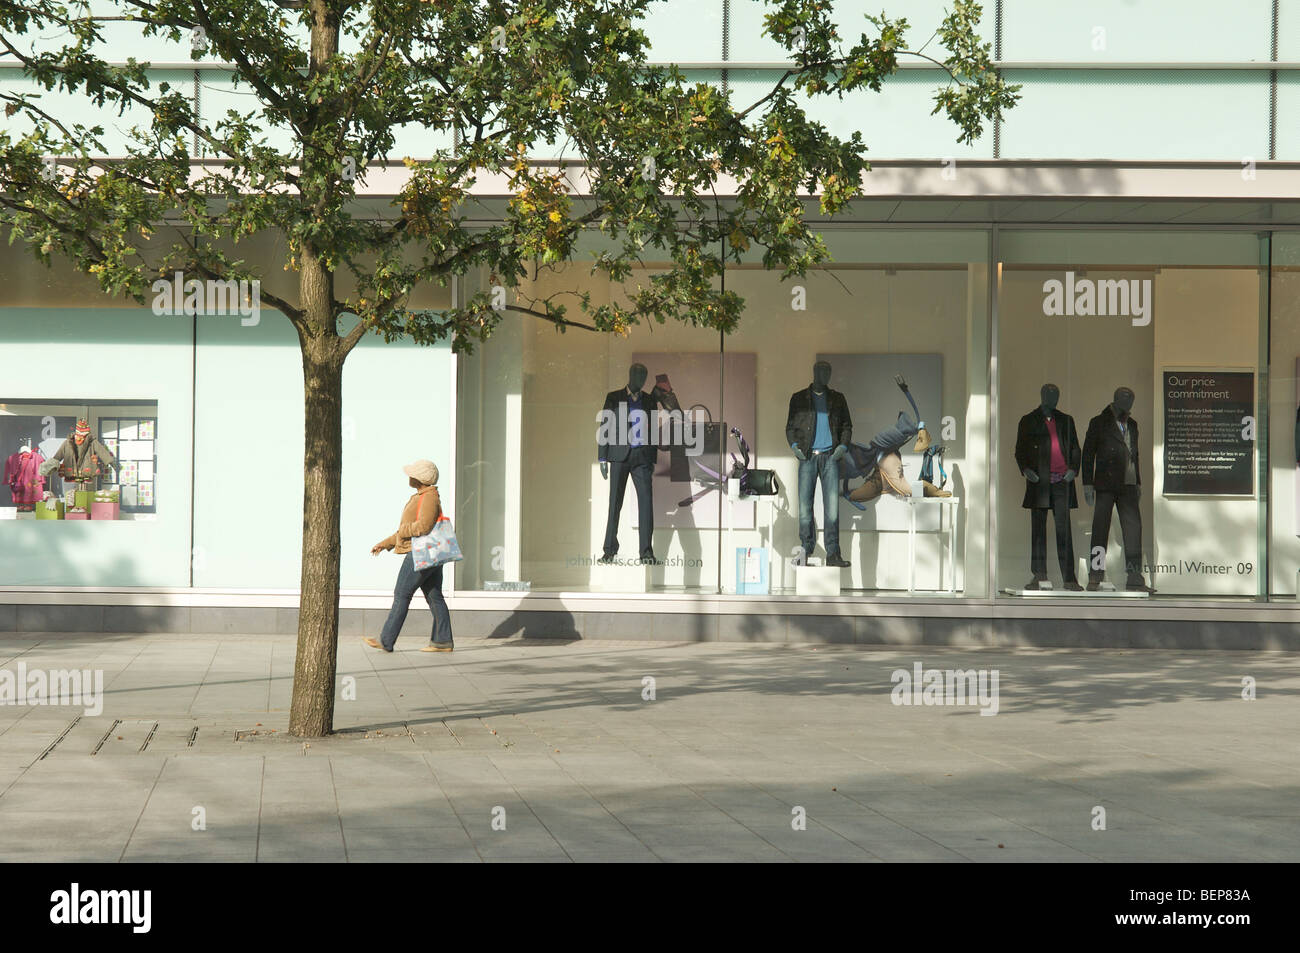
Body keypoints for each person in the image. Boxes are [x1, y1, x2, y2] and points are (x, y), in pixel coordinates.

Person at [364, 459, 454, 653]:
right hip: (432, 554)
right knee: (435, 596)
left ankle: (386, 641)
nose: (409, 476)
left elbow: (423, 527)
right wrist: (384, 544)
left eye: (412, 474)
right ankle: (442, 641)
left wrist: (403, 530)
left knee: (401, 595)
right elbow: (407, 530)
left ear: (419, 478)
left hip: (420, 554)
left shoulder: (428, 497)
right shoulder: (423, 495)